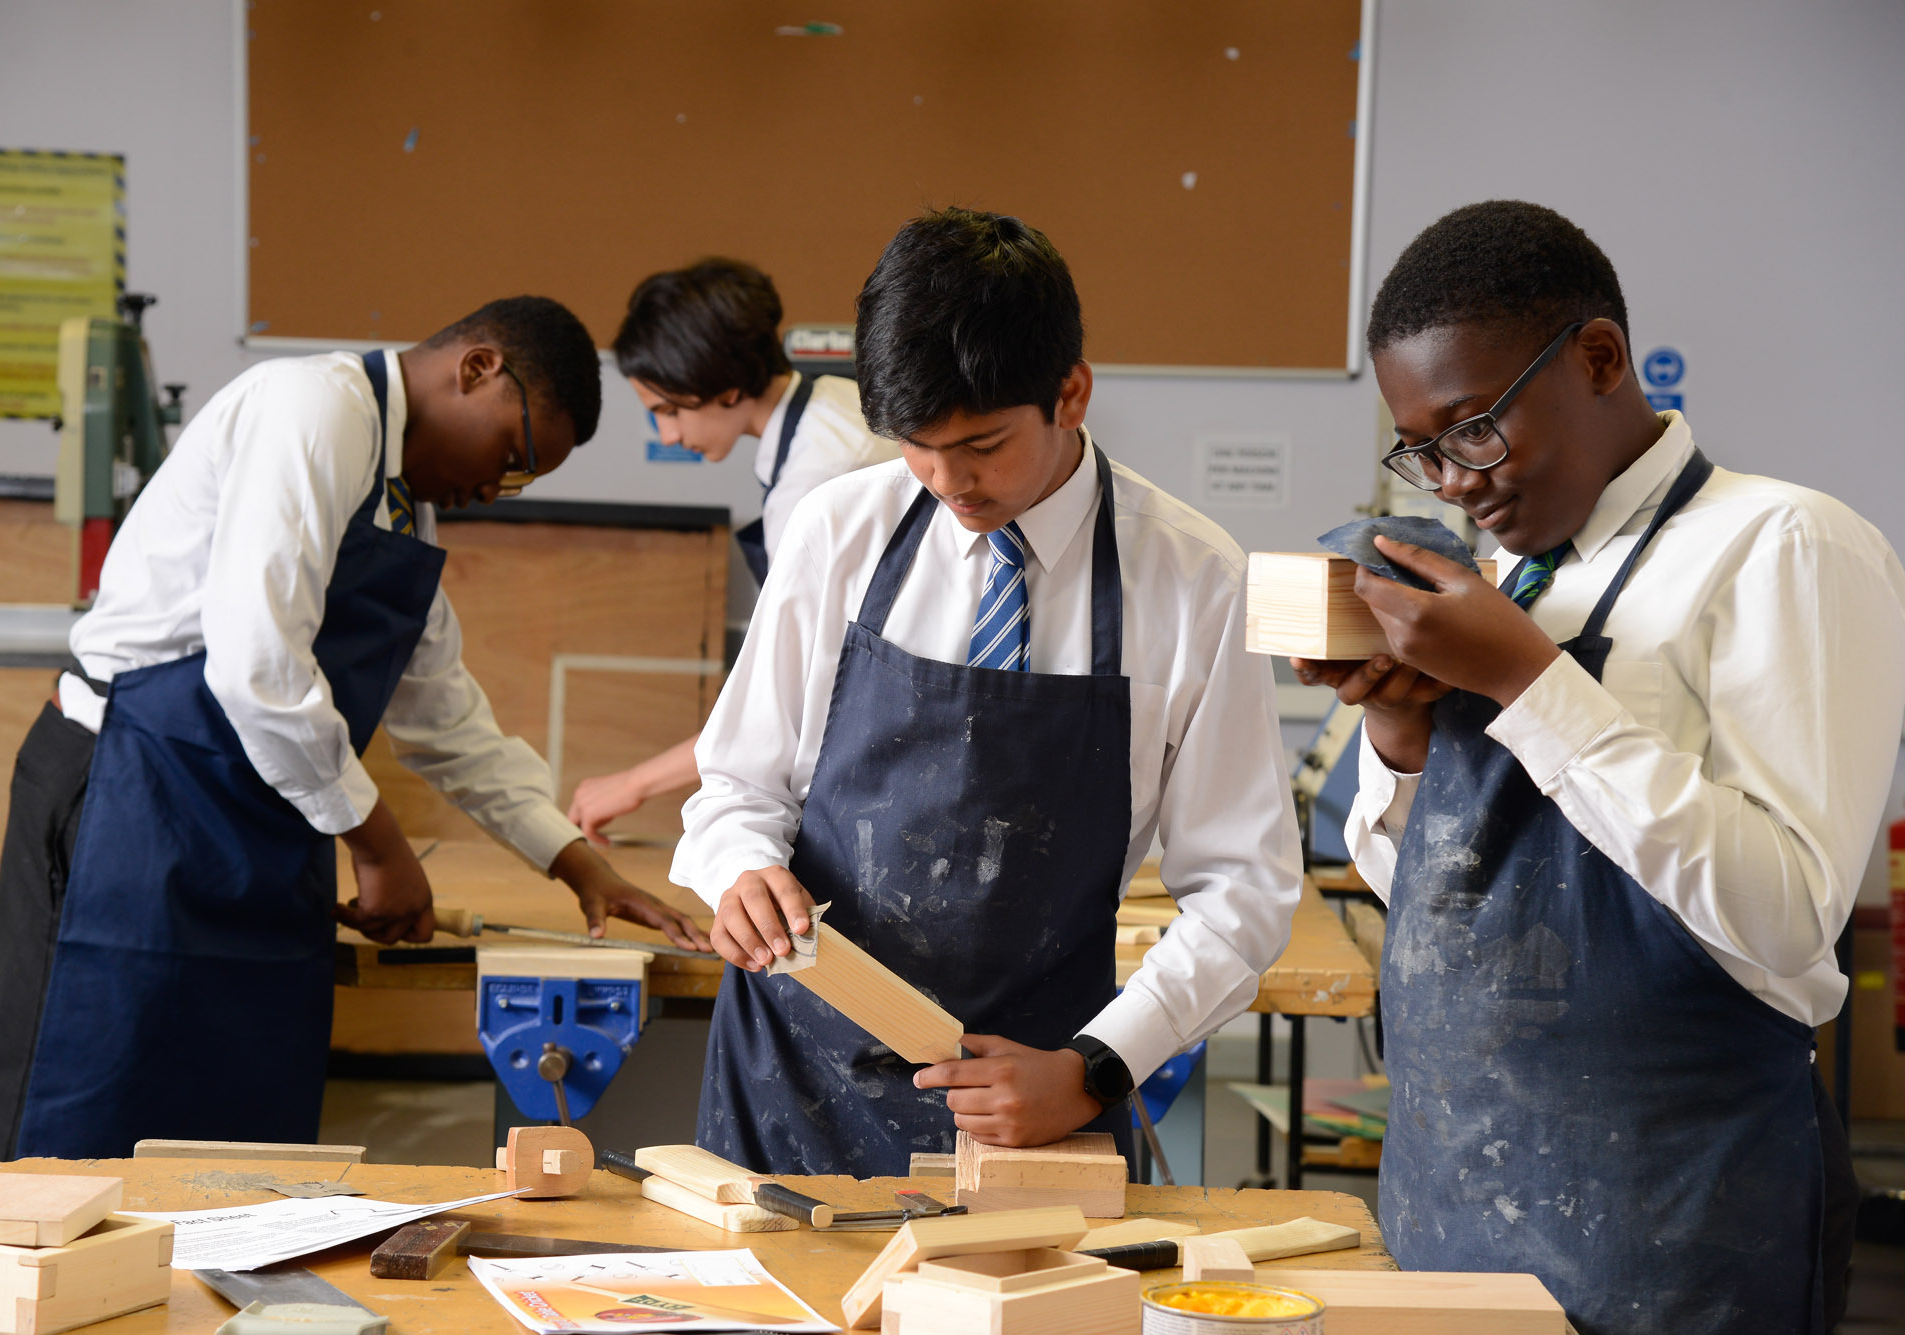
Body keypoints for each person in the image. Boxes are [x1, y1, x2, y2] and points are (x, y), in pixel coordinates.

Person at [1295, 201, 1905, 1334]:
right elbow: (1433, 897)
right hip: (1452, 1205)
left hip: (1674, 1224)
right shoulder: (1505, 580)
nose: (1455, 481)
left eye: (1473, 428)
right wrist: (1403, 740)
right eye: (1421, 451)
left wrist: (1531, 686)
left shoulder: (1780, 547)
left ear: (1596, 358)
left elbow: (1784, 919)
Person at [0, 295, 711, 1161]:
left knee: (238, 1154)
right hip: (129, 800)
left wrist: (576, 861)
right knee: (82, 1128)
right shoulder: (315, 408)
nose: (492, 491)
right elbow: (256, 664)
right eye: (510, 458)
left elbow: (443, 714)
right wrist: (375, 843)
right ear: (477, 368)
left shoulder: (402, 505)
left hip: (242, 825)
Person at [668, 208, 1303, 1176]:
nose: (947, 480)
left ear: (1072, 394)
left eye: (982, 445)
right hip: (789, 1085)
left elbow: (1242, 888)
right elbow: (736, 785)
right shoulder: (841, 529)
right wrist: (738, 871)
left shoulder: (1191, 578)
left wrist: (1097, 1068)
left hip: (1034, 1098)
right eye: (916, 447)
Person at [566, 259, 896, 846]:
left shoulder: (814, 479)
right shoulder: (835, 404)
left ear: (725, 386)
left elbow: (785, 696)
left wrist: (635, 784)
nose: (667, 435)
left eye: (669, 410)